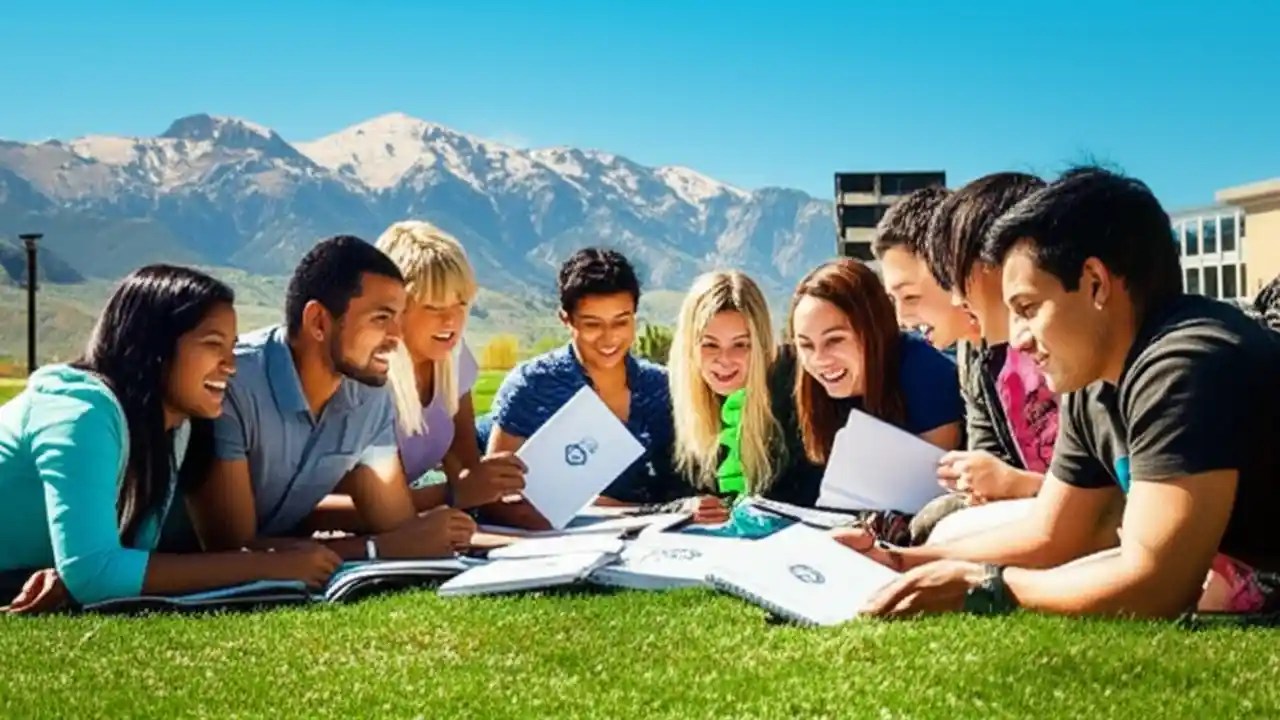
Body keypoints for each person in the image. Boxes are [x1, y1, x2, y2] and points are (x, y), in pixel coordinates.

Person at [836, 167, 1280, 619]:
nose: (1020, 337)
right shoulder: (1093, 384)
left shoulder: (1185, 362)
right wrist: (896, 562)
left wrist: (988, 587)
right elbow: (1055, 534)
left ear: (1095, 283)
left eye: (1028, 308)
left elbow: (1157, 584)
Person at [0, 265, 341, 612]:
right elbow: (96, 575)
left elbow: (126, 559)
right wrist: (268, 567)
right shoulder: (83, 413)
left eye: (232, 348)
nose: (230, 366)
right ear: (155, 346)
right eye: (212, 344)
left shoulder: (173, 426)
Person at [194, 236, 475, 560]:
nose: (397, 338)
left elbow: (395, 524)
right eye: (381, 319)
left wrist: (433, 533)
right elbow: (233, 549)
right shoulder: (233, 385)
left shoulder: (371, 396)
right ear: (319, 322)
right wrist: (376, 548)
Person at [911, 172, 1057, 543]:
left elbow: (1097, 497)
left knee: (943, 532)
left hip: (1072, 517)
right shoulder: (984, 361)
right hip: (1042, 509)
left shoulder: (1067, 358)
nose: (957, 298)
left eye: (956, 276)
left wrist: (1014, 484)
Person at [481, 248, 680, 510]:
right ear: (566, 319)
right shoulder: (532, 386)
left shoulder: (660, 388)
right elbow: (495, 498)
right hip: (547, 537)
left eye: (621, 322)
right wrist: (617, 511)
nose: (609, 338)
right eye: (592, 325)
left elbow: (677, 485)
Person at [783, 258, 963, 542]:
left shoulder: (925, 370)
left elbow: (932, 487)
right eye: (806, 345)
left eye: (835, 340)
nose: (819, 360)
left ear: (873, 330)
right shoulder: (813, 389)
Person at [375, 221, 527, 517]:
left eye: (461, 304)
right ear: (396, 306)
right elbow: (357, 508)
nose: (451, 321)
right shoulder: (368, 379)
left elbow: (466, 471)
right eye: (433, 307)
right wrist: (454, 493)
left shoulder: (454, 357)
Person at [667, 270, 786, 523]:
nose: (725, 360)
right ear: (690, 347)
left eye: (741, 345)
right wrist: (684, 508)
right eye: (710, 344)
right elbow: (660, 496)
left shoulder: (789, 402)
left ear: (761, 346)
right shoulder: (672, 408)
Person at [872, 186, 979, 356]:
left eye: (910, 297)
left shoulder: (1024, 360)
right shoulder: (971, 355)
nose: (901, 319)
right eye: (893, 300)